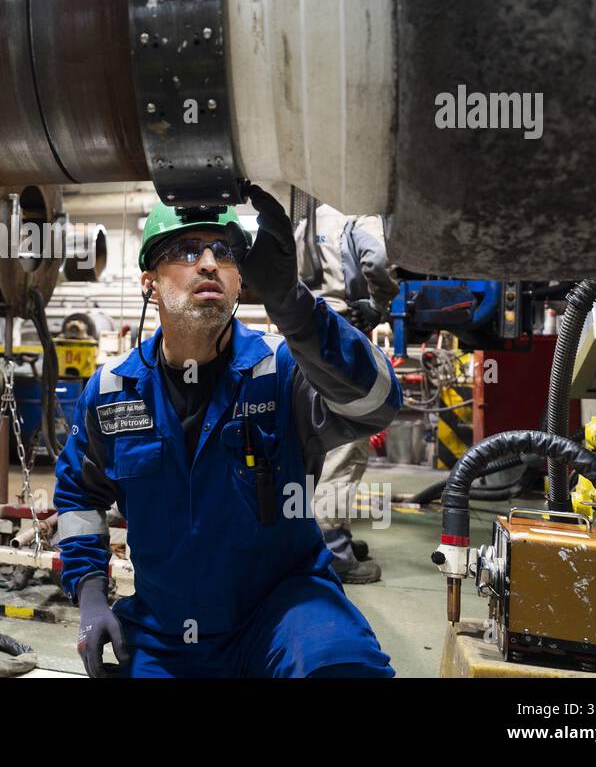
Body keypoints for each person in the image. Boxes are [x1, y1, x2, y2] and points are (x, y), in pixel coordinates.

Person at [53, 186, 402, 677]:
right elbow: (78, 495)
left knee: (339, 665)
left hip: (282, 612)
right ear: (148, 282)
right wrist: (90, 592)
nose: (209, 263)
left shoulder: (282, 369)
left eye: (225, 252)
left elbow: (378, 404)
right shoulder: (113, 393)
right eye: (185, 251)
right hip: (167, 629)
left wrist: (295, 305)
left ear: (241, 281)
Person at [294, 200, 400, 584]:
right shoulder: (360, 215)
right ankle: (334, 552)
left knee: (313, 440)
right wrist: (379, 303)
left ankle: (317, 541)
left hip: (301, 334)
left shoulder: (306, 221)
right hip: (342, 329)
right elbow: (377, 260)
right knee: (346, 443)